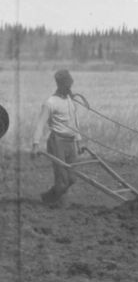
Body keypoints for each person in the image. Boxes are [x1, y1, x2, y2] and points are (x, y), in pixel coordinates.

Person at [32, 69, 84, 206]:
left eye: (70, 85)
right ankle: (54, 203)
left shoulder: (70, 100)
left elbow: (75, 122)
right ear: (59, 84)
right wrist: (35, 144)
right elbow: (40, 124)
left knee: (72, 178)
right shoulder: (50, 102)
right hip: (57, 142)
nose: (69, 88)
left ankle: (48, 198)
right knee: (63, 179)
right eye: (66, 85)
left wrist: (78, 142)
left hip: (70, 141)